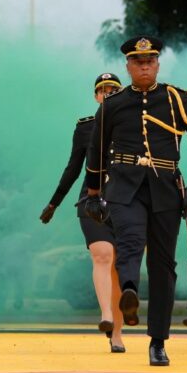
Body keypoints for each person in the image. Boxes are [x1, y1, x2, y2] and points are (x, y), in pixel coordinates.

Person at [84, 36, 187, 367]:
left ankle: (158, 341)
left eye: (150, 61)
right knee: (128, 241)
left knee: (162, 265)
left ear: (157, 64)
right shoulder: (112, 105)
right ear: (128, 66)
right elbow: (96, 152)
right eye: (137, 62)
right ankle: (128, 292)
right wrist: (94, 195)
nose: (144, 66)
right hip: (124, 186)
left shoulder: (177, 99)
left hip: (166, 188)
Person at [39, 72, 126, 353]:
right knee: (102, 256)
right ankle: (106, 315)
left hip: (128, 202)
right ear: (95, 96)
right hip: (92, 201)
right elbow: (73, 168)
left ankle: (117, 334)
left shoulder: (135, 126)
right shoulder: (86, 127)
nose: (108, 94)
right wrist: (54, 203)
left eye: (114, 90)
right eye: (103, 90)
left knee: (122, 269)